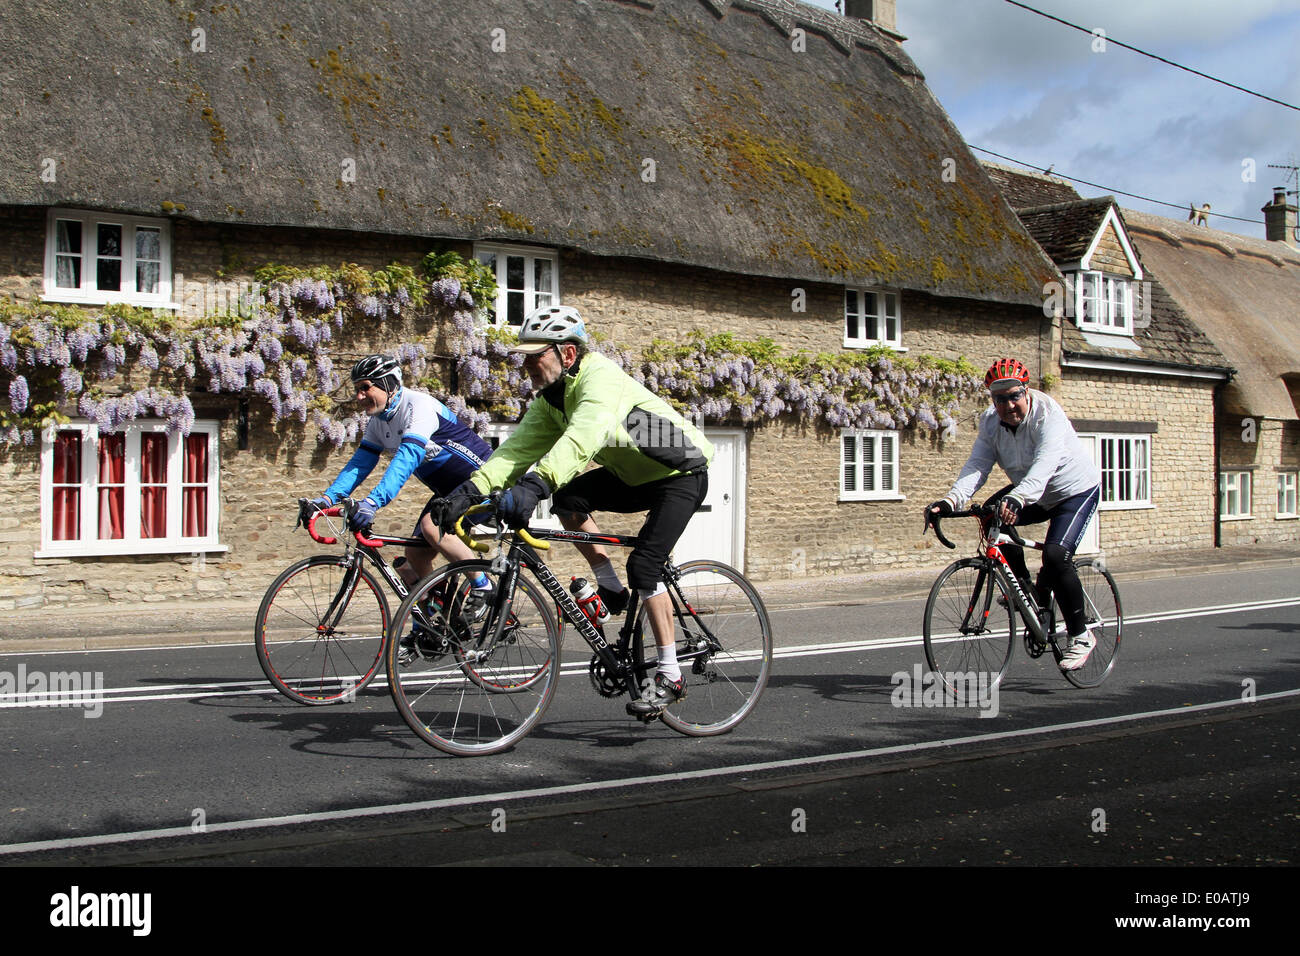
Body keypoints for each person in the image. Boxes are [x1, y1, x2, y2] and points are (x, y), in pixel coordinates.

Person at [433, 305, 714, 714]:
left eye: (535, 354)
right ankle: (611, 589)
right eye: (524, 356)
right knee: (569, 501)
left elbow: (582, 439)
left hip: (680, 475)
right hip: (633, 475)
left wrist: (535, 485)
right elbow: (514, 452)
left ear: (567, 353)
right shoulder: (552, 400)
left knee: (645, 567)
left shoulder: (600, 379)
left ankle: (670, 675)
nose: (526, 364)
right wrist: (468, 490)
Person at [926, 358, 1102, 670]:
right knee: (991, 517)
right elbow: (978, 465)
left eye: (1014, 395)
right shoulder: (991, 423)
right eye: (999, 398)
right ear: (992, 400)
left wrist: (1018, 497)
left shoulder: (1048, 416)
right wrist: (950, 501)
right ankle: (1024, 589)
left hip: (1074, 491)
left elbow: (1045, 464)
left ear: (1026, 392)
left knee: (1056, 554)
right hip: (1032, 492)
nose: (1008, 404)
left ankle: (1081, 634)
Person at [298, 353, 495, 602]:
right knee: (415, 555)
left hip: (483, 479)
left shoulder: (418, 406)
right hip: (448, 490)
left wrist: (372, 503)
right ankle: (444, 616)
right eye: (357, 389)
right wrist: (326, 499)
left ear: (389, 384)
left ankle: (484, 587)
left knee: (431, 527)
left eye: (365, 388)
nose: (359, 396)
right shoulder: (378, 422)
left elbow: (406, 459)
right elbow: (359, 465)